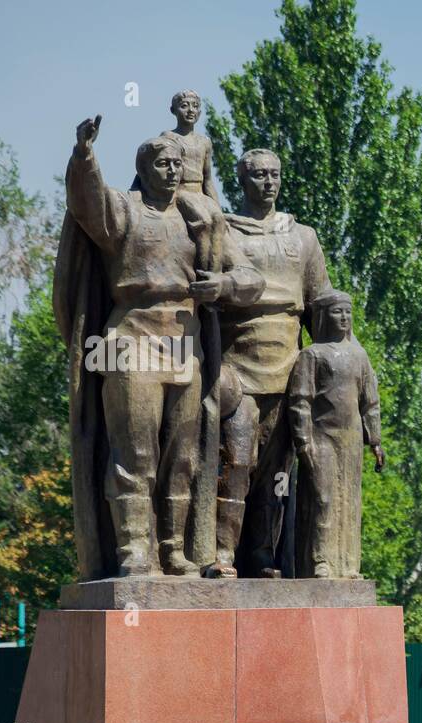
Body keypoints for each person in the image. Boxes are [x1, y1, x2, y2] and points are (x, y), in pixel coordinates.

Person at [58, 115, 263, 578]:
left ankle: (174, 550)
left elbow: (251, 279)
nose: (172, 170)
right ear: (144, 168)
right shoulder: (124, 211)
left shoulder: (201, 218)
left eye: (177, 163)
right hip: (129, 337)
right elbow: (86, 203)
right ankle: (135, 551)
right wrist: (84, 155)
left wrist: (224, 284)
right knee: (135, 455)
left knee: (182, 457)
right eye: (163, 163)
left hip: (184, 342)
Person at [217, 148, 332, 577]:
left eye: (275, 175)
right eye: (259, 175)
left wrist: (345, 371)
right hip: (236, 370)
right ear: (242, 181)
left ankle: (264, 555)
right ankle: (223, 554)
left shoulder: (303, 238)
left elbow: (322, 308)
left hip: (288, 372)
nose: (268, 182)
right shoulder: (226, 231)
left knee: (276, 474)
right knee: (237, 463)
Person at [287, 290, 384, 577]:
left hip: (351, 440)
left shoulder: (359, 356)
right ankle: (321, 561)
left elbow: (371, 402)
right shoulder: (312, 355)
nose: (343, 318)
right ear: (324, 317)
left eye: (347, 312)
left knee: (349, 500)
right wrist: (303, 442)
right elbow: (300, 400)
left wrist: (375, 441)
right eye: (337, 312)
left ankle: (348, 564)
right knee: (323, 498)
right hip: (321, 438)